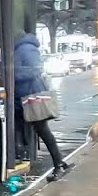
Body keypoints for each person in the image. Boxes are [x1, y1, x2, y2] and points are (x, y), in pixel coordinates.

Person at [14, 31, 73, 179]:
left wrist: (11, 74)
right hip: (22, 97)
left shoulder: (26, 48)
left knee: (42, 130)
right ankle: (57, 162)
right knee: (29, 128)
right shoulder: (20, 48)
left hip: (32, 96)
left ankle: (59, 164)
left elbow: (35, 70)